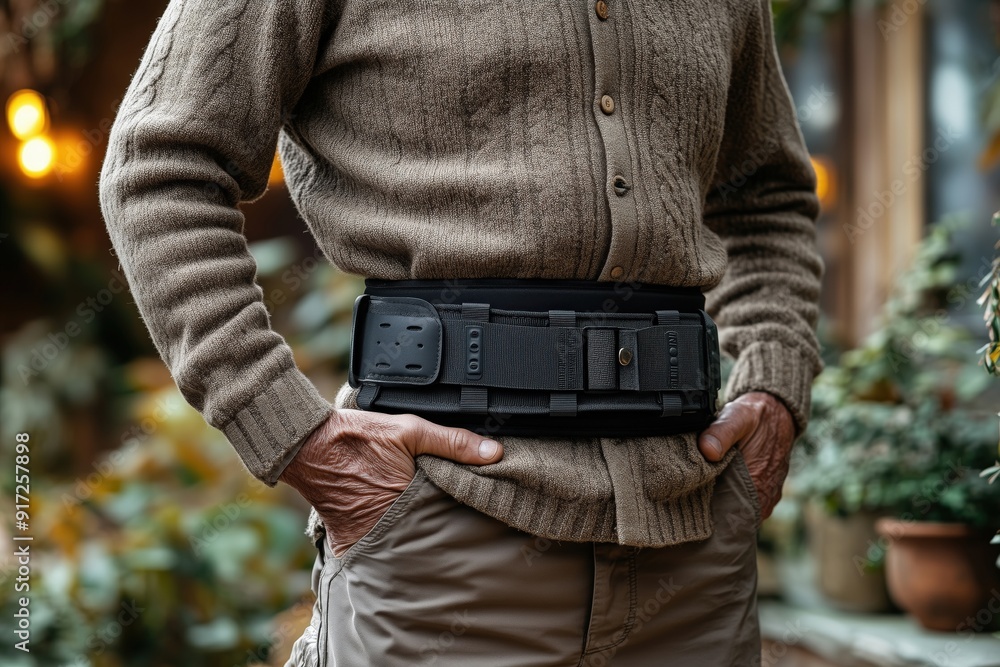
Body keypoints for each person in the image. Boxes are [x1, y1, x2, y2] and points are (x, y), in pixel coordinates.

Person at [99, 0, 823, 664]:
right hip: (443, 544)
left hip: (694, 562)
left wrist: (775, 382)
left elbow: (767, 197)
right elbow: (160, 167)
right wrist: (295, 436)